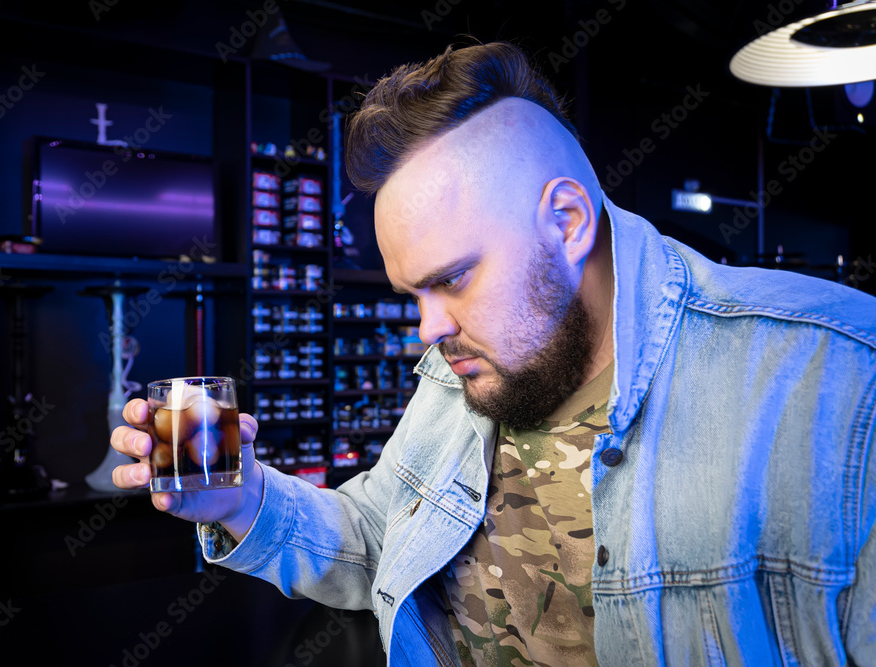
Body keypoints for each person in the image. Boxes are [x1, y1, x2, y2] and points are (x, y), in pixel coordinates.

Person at [110, 41, 876, 666]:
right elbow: (380, 537)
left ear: (568, 221)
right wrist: (241, 499)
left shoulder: (838, 377)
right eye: (414, 293)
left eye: (452, 279)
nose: (426, 330)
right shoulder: (470, 360)